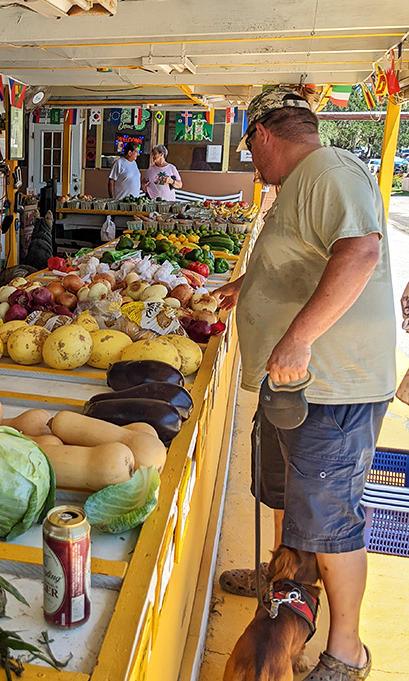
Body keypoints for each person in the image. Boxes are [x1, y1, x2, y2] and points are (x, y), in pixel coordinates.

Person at [213, 87, 395, 681]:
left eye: (250, 148)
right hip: (298, 388)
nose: (253, 163)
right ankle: (281, 586)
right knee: (295, 500)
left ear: (263, 133)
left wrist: (298, 337)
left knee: (331, 516)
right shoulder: (305, 183)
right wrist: (251, 288)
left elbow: (360, 252)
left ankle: (347, 653)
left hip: (329, 385)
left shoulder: (327, 169)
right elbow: (306, 260)